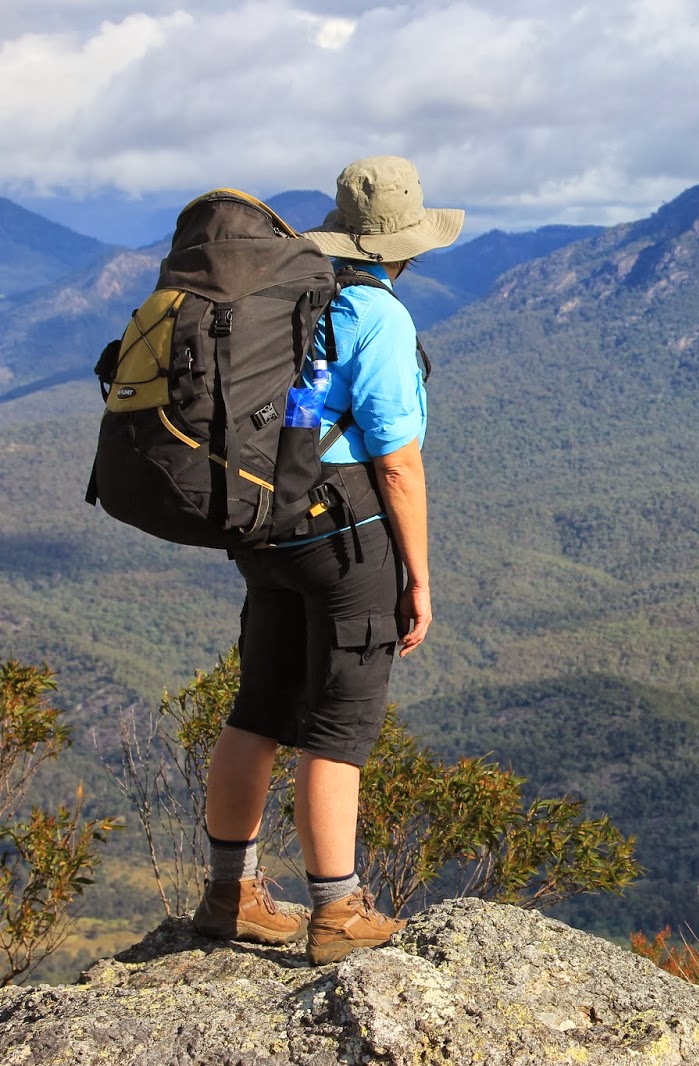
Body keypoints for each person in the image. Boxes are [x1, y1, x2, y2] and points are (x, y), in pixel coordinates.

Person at [192, 156, 463, 965]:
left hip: (265, 529)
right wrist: (418, 576)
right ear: (404, 246)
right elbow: (398, 463)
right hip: (346, 537)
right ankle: (336, 909)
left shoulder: (285, 293)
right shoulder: (380, 317)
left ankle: (228, 892)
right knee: (336, 730)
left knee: (259, 710)